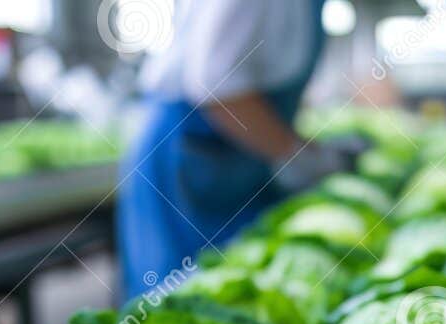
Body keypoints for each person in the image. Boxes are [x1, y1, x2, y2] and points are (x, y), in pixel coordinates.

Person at [117, 0, 341, 298]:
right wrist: (292, 153)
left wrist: (299, 147)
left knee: (232, 295)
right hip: (188, 155)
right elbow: (217, 84)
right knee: (175, 301)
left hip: (234, 161)